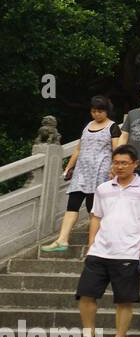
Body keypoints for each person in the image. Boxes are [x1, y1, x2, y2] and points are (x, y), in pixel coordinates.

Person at [74, 144, 140, 337]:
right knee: (85, 294)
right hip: (99, 251)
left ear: (135, 164)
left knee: (124, 299)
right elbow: (96, 217)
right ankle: (88, 336)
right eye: (116, 162)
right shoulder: (103, 188)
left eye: (124, 163)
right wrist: (91, 242)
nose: (119, 167)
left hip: (128, 252)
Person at [42, 96, 123, 253]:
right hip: (81, 172)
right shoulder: (88, 126)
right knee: (72, 205)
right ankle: (62, 240)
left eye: (100, 111)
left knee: (93, 209)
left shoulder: (113, 127)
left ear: (107, 111)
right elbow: (79, 148)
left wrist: (115, 168)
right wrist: (68, 167)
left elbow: (117, 150)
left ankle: (94, 245)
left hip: (100, 173)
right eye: (93, 111)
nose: (96, 114)